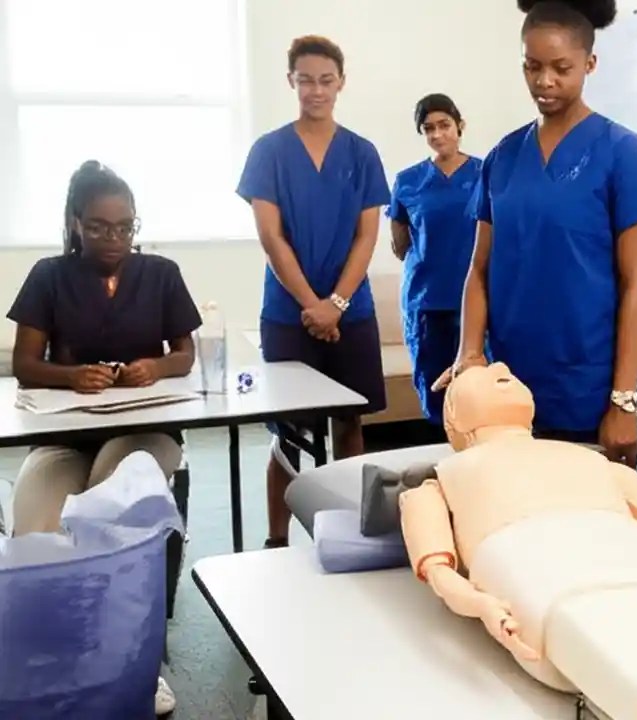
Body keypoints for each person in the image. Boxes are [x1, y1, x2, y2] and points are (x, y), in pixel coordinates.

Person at [432, 0, 637, 466]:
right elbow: (479, 269)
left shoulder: (623, 152)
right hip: (505, 391)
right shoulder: (502, 156)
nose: (545, 81)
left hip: (585, 389)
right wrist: (469, 353)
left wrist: (623, 400)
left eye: (561, 68)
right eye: (532, 67)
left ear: (590, 64)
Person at [7, 160, 197, 716]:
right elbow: (23, 363)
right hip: (67, 433)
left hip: (144, 427)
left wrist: (154, 368)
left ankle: (137, 665)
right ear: (75, 224)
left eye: (124, 227)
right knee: (37, 529)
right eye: (99, 227)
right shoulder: (48, 275)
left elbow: (184, 353)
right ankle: (58, 659)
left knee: (109, 509)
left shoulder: (160, 272)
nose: (113, 239)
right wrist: (71, 376)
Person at [237, 35, 391, 548]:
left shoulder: (362, 153)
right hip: (288, 315)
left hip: (352, 312)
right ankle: (277, 539)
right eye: (306, 80)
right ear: (291, 82)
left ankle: (352, 528)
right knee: (288, 435)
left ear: (341, 83)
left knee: (350, 423)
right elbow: (270, 236)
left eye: (326, 80)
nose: (316, 90)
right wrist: (312, 305)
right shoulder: (269, 151)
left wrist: (338, 305)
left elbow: (368, 235)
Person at [388, 94, 482, 440]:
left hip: (475, 298)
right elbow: (400, 244)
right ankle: (438, 461)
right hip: (427, 301)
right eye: (429, 129)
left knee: (475, 388)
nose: (438, 135)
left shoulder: (485, 173)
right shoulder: (408, 181)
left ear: (460, 126)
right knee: (434, 390)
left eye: (444, 125)